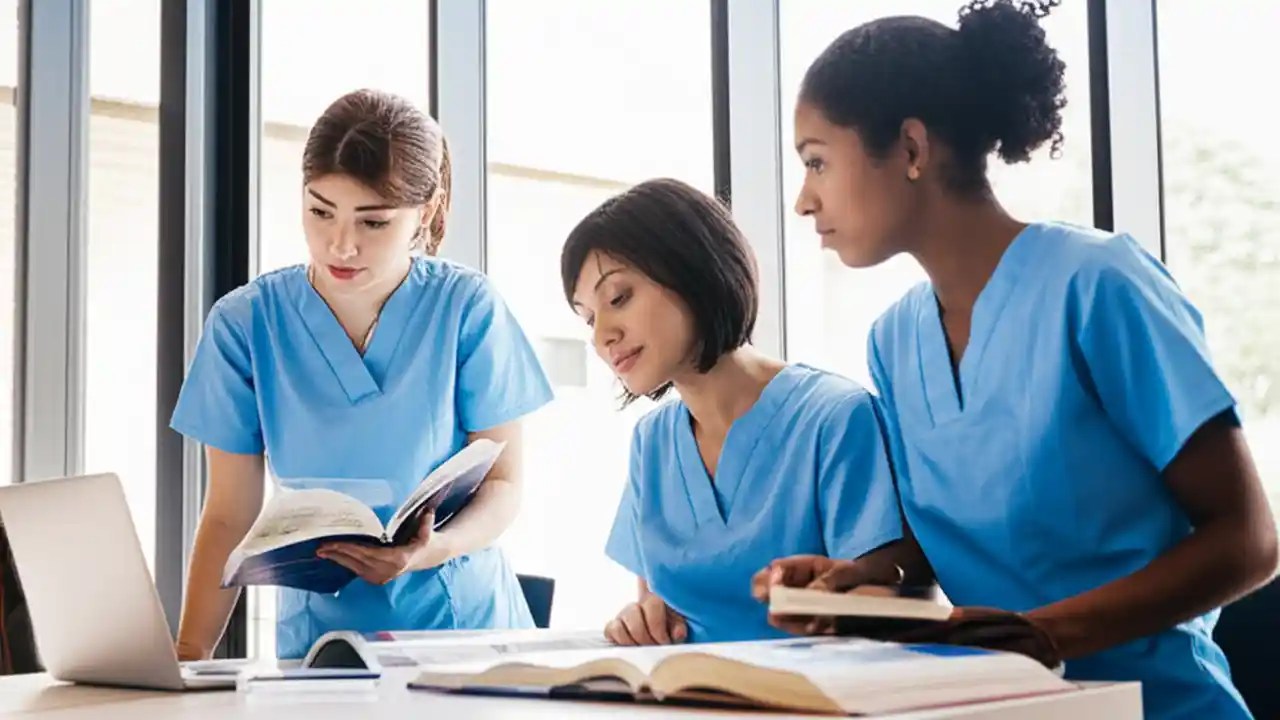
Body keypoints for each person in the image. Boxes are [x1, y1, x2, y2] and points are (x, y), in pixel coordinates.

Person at [755, 2, 1278, 718]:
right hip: (1004, 707)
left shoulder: (1099, 286)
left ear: (910, 149)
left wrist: (1046, 634)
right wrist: (860, 579)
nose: (802, 200)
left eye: (816, 160)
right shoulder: (894, 341)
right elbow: (952, 549)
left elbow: (1248, 540)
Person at [170, 89, 553, 660]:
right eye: (320, 211)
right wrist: (188, 656)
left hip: (464, 636)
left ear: (424, 212)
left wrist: (428, 550)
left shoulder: (466, 309)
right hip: (318, 646)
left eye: (372, 222)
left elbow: (503, 486)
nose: (340, 244)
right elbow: (229, 512)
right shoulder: (246, 324)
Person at [562, 178, 909, 646]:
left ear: (693, 270)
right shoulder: (653, 443)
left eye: (619, 298)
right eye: (588, 318)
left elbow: (890, 612)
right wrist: (642, 621)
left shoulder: (835, 418)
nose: (601, 335)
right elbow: (656, 608)